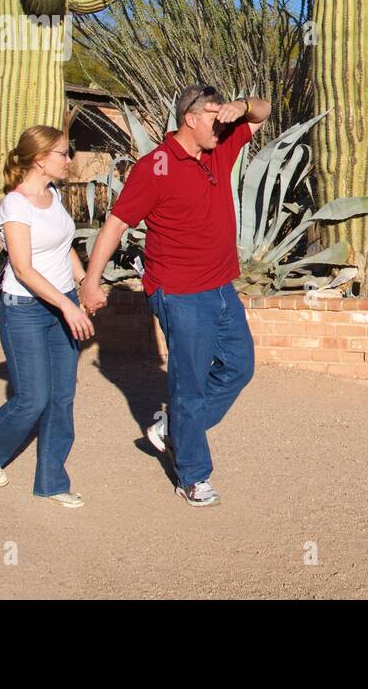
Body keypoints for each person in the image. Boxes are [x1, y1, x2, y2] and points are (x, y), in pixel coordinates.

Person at [81, 85, 270, 507]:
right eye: (214, 115)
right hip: (180, 293)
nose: (224, 124)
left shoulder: (219, 146)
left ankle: (170, 432)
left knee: (239, 367)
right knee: (188, 385)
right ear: (190, 118)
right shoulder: (155, 167)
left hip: (221, 285)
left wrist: (242, 107)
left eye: (225, 116)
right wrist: (92, 281)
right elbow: (116, 223)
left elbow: (262, 113)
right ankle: (192, 476)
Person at [0, 125, 96, 507]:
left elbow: (64, 247)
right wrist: (67, 305)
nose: (69, 160)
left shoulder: (54, 195)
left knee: (62, 397)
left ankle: (52, 482)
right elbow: (23, 269)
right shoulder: (15, 205)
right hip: (25, 309)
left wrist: (87, 282)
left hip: (63, 303)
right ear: (40, 158)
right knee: (33, 398)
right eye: (62, 153)